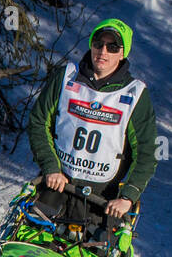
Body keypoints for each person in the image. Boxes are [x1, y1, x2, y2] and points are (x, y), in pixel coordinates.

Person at [26, 18, 158, 229]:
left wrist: (128, 196)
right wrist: (51, 167)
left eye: (112, 46)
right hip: (56, 185)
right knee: (27, 247)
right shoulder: (66, 77)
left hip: (102, 199)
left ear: (122, 53)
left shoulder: (135, 94)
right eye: (98, 43)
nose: (103, 51)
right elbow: (38, 122)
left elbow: (147, 152)